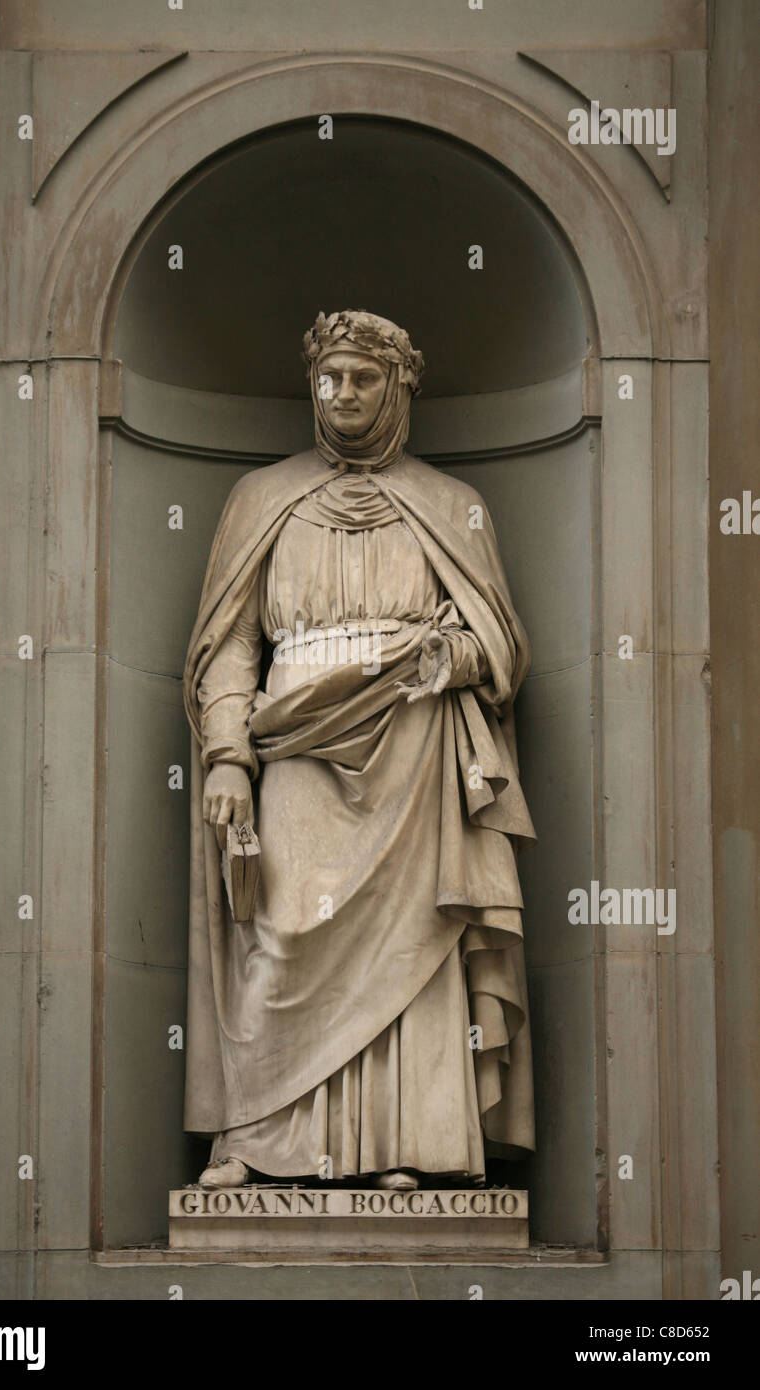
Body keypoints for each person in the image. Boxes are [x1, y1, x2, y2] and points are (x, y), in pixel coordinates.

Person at [183, 310, 536, 1192]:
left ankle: (401, 1143)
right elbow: (228, 645)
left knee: (413, 947)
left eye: (363, 379)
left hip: (412, 748)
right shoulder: (262, 498)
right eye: (329, 378)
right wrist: (228, 751)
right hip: (294, 739)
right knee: (281, 930)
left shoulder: (452, 505)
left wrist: (448, 655)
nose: (343, 395)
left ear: (399, 387)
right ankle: (259, 1137)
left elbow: (502, 647)